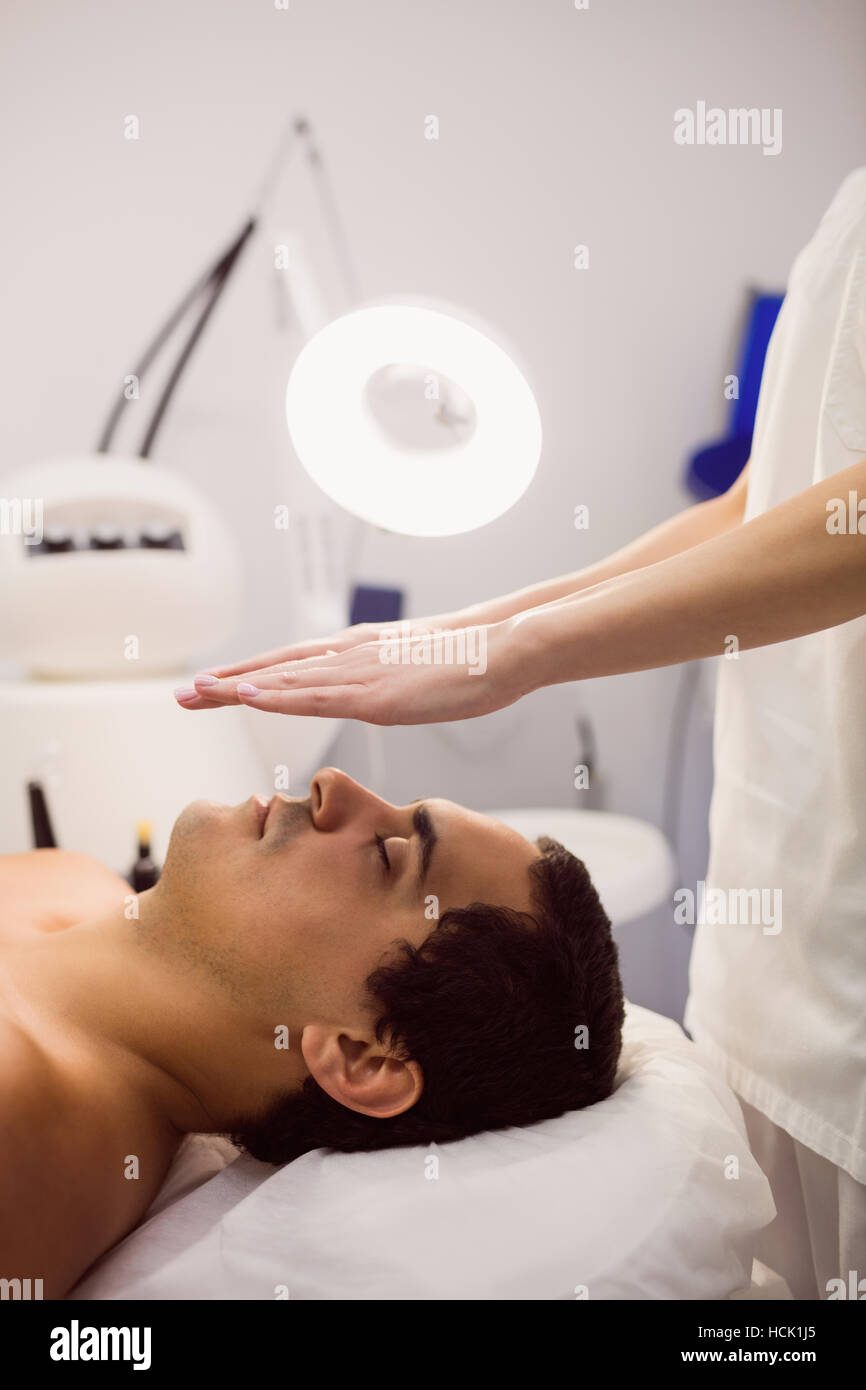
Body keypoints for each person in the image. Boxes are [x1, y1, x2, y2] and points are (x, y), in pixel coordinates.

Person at [177, 169, 866, 1298]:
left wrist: (519, 654)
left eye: (399, 848)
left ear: (359, 1054)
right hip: (767, 941)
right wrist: (479, 626)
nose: (337, 786)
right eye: (404, 842)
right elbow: (769, 497)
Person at [0, 768, 623, 1298]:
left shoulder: (20, 1116)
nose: (332, 784)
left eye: (387, 854)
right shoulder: (73, 879)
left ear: (362, 1058)